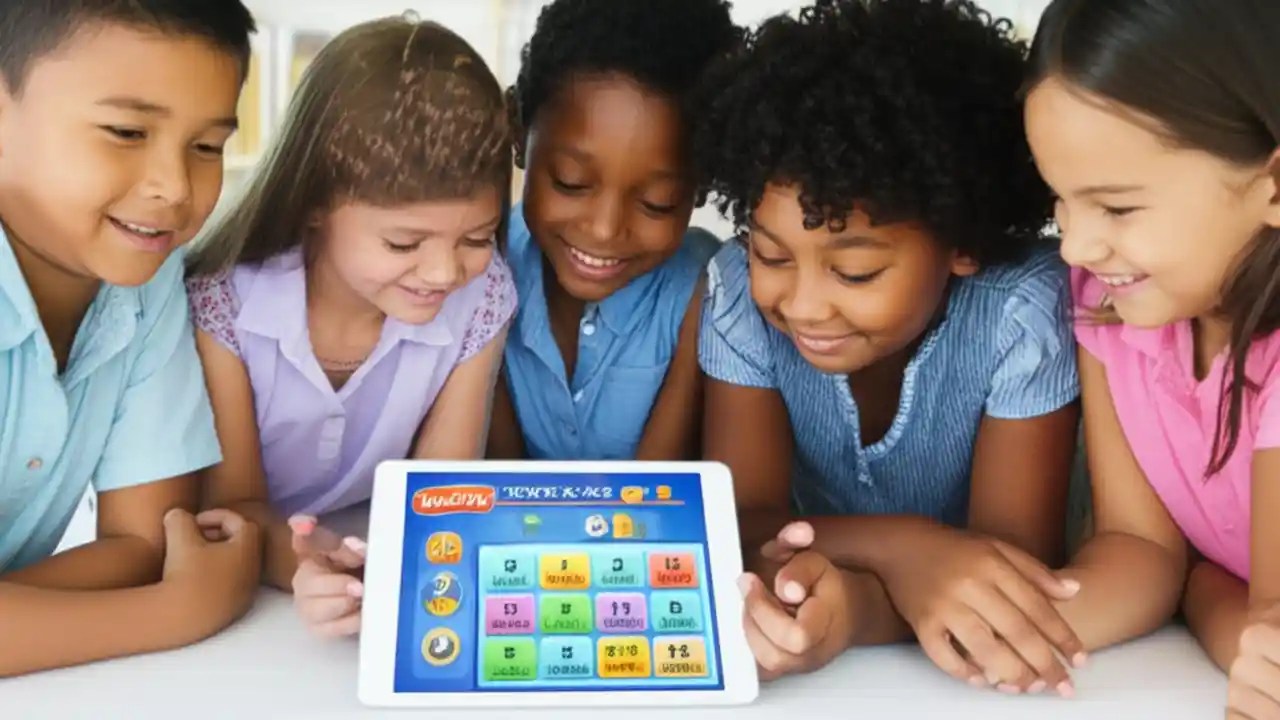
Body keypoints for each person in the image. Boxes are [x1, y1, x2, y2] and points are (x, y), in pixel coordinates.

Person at [694, 0, 1082, 693]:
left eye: (855, 271)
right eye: (771, 254)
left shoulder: (1020, 312)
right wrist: (909, 549)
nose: (804, 305)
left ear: (961, 241)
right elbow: (737, 524)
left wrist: (868, 600)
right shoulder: (735, 298)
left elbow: (1010, 567)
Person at [185, 16, 515, 638]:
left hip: (375, 559)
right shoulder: (225, 300)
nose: (445, 272)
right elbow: (233, 502)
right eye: (403, 242)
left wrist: (389, 572)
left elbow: (441, 493)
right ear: (314, 203)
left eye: (477, 236)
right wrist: (309, 564)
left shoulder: (484, 292)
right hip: (260, 590)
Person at [1021, 0, 1280, 714]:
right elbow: (1144, 548)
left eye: (1118, 207)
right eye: (1060, 202)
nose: (1075, 246)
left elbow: (1265, 617)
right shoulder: (1108, 305)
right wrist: (1010, 626)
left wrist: (1214, 604)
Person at [0, 0, 260, 676]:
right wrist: (178, 611)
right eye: (124, 131)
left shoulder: (148, 274)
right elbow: (171, 581)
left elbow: (147, 539)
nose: (175, 188)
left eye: (207, 146)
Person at [485, 0, 740, 461]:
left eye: (656, 203)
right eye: (571, 181)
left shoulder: (709, 293)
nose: (604, 230)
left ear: (702, 183)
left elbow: (654, 495)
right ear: (519, 133)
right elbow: (500, 482)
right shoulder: (482, 266)